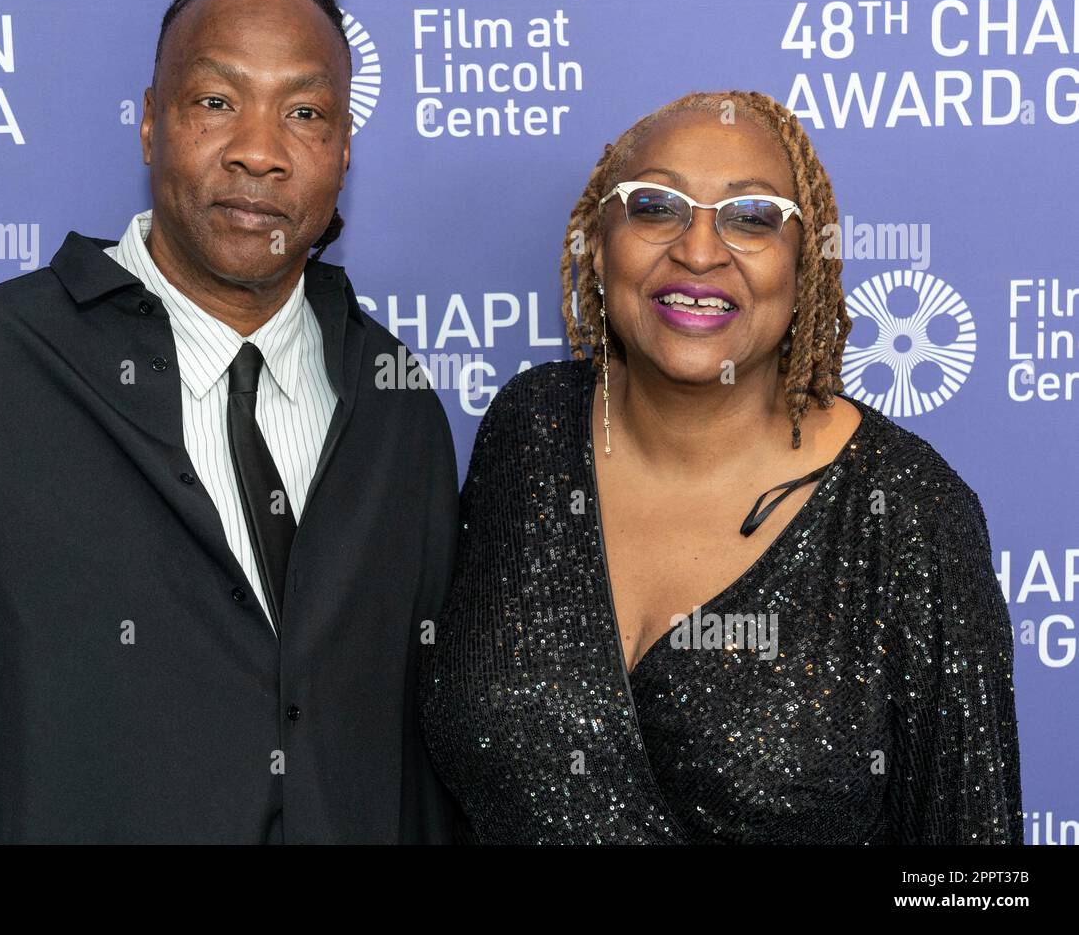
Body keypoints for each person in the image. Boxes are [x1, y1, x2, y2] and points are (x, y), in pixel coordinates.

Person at [0, 0, 459, 844]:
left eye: (303, 113)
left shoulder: (396, 405)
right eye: (216, 101)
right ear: (149, 124)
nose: (258, 150)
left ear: (343, 151)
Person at [419, 90, 1024, 844]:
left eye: (751, 218)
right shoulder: (529, 431)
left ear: (805, 263)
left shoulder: (908, 516)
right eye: (655, 206)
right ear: (598, 242)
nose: (699, 251)